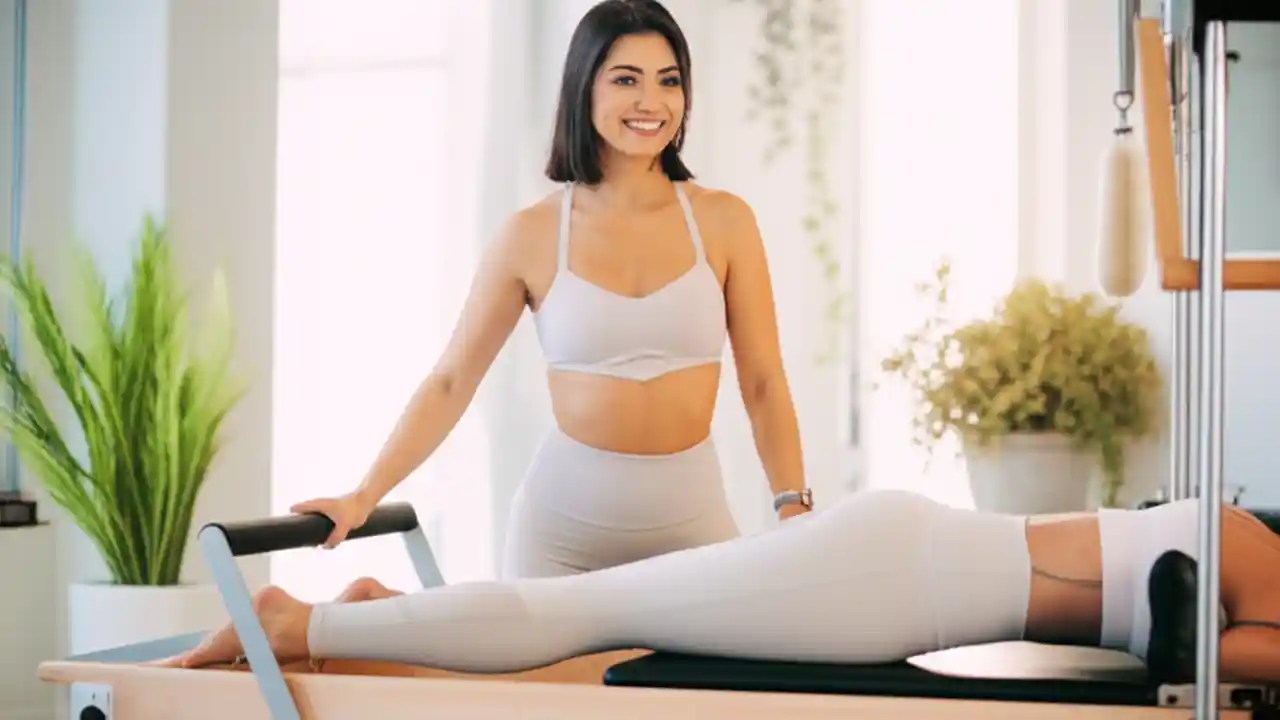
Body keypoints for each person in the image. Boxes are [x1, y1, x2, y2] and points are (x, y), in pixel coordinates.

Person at [287, 0, 813, 580]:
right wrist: (363, 497)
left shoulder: (724, 220)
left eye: (669, 81)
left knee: (721, 670)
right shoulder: (531, 234)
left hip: (694, 525)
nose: (651, 102)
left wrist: (794, 507)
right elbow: (451, 381)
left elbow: (763, 381)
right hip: (561, 537)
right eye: (625, 80)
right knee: (534, 675)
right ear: (583, 89)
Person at [160, 489, 1280, 684]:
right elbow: (1215, 662)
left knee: (593, 611)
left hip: (910, 575)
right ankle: (292, 619)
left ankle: (366, 615)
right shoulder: (1255, 549)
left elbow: (1202, 655)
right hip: (895, 580)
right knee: (585, 616)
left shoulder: (1243, 542)